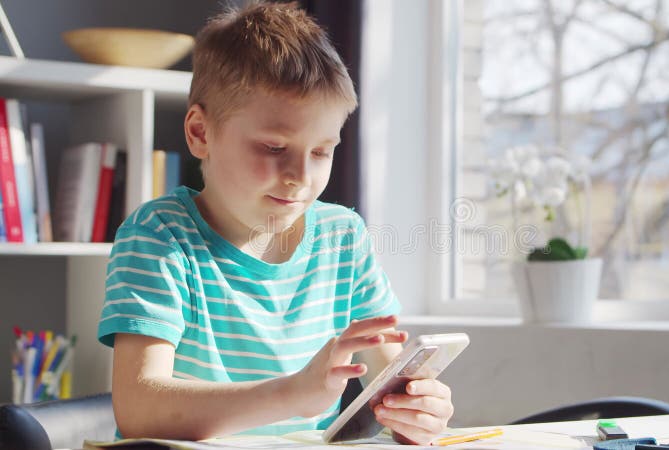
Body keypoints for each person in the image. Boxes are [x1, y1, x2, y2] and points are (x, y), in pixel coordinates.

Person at [96, 1, 454, 444]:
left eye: (321, 151)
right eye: (272, 147)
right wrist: (291, 394)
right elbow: (139, 411)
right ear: (200, 133)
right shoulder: (159, 237)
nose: (301, 177)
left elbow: (390, 377)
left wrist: (417, 411)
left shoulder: (342, 237)